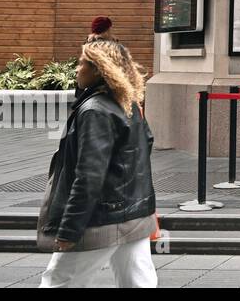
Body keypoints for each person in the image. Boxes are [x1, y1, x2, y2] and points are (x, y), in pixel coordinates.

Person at [38, 38, 157, 287]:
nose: (77, 69)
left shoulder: (94, 110)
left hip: (101, 218)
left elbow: (89, 176)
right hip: (134, 213)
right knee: (138, 282)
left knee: (60, 282)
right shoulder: (128, 103)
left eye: (82, 63)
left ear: (99, 70)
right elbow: (144, 148)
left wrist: (70, 230)